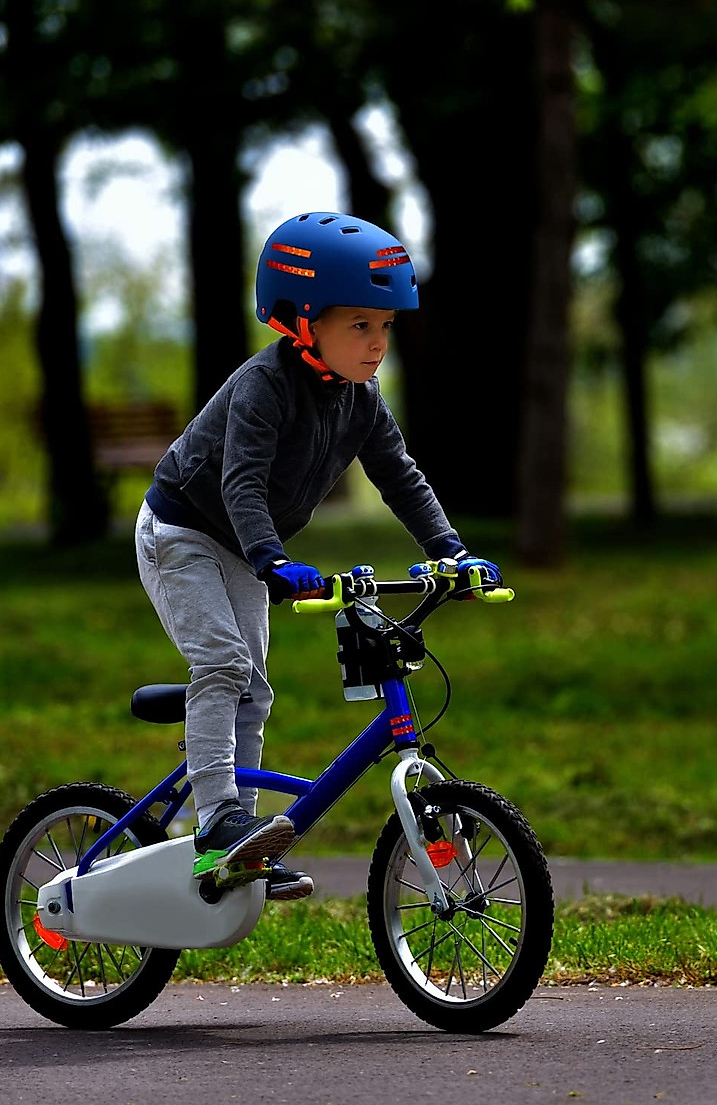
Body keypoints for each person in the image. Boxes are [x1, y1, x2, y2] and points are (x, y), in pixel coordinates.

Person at [134, 210, 502, 901]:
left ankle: (237, 840)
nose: (377, 343)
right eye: (359, 325)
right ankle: (216, 822)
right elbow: (239, 480)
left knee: (256, 687)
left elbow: (398, 474)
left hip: (244, 546)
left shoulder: (360, 398)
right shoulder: (263, 386)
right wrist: (272, 560)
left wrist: (450, 550)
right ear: (303, 322)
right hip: (182, 530)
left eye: (385, 326)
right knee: (222, 662)